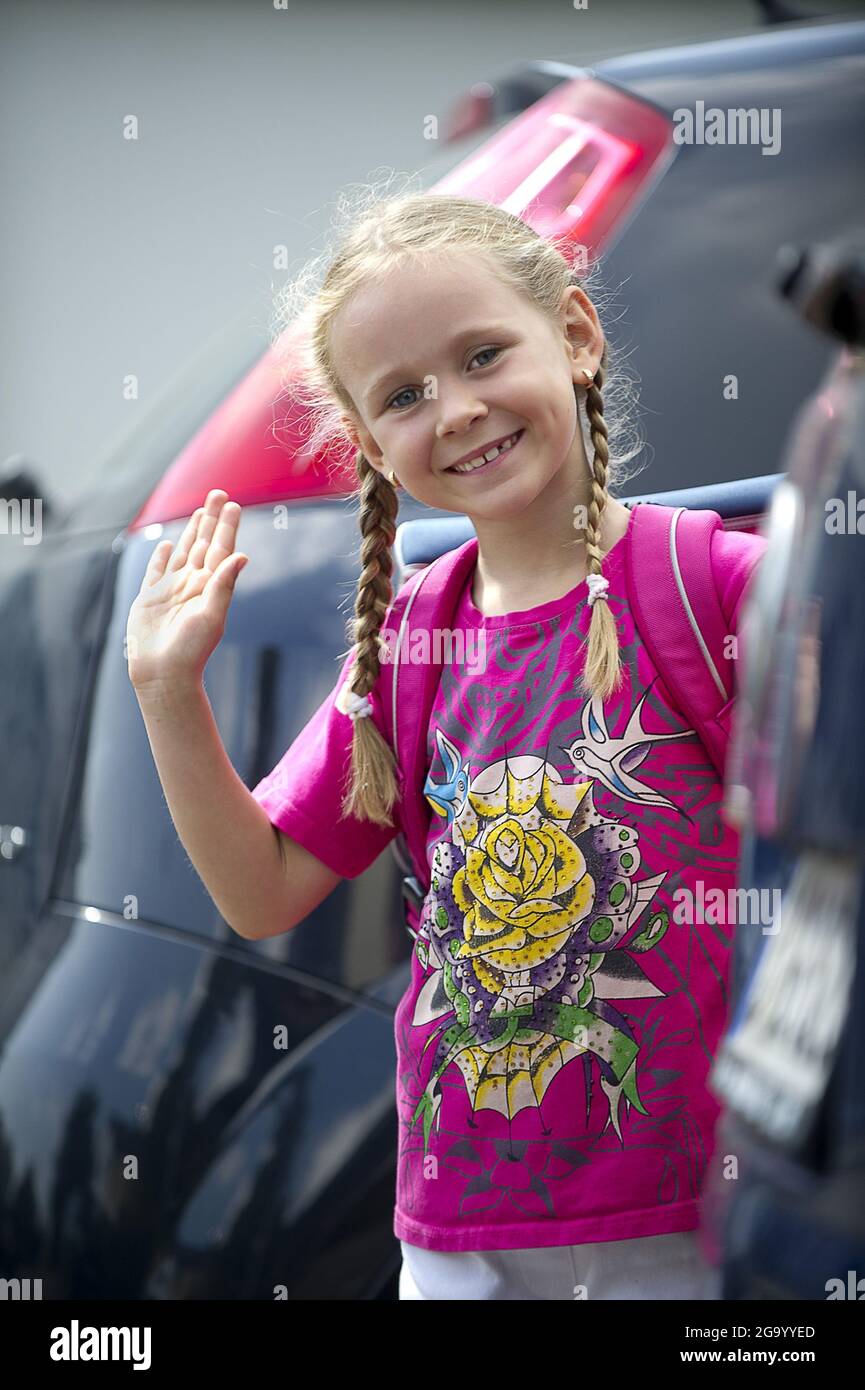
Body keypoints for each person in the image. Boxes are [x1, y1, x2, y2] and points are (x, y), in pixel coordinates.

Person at [126, 187, 763, 1300]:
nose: (457, 408)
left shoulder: (710, 586)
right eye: (405, 395)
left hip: (696, 1227)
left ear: (573, 333)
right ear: (370, 443)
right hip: (461, 1245)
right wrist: (168, 690)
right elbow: (262, 889)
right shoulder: (408, 642)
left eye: (480, 356)